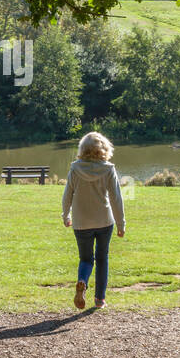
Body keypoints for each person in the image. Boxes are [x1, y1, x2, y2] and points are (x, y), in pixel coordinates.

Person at [61, 132, 126, 310]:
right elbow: (116, 199)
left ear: (83, 149)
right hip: (104, 221)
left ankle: (82, 281)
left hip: (81, 222)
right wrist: (121, 224)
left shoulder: (75, 169)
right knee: (102, 258)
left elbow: (68, 195)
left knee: (86, 258)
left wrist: (66, 215)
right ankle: (99, 299)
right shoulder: (108, 169)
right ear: (103, 148)